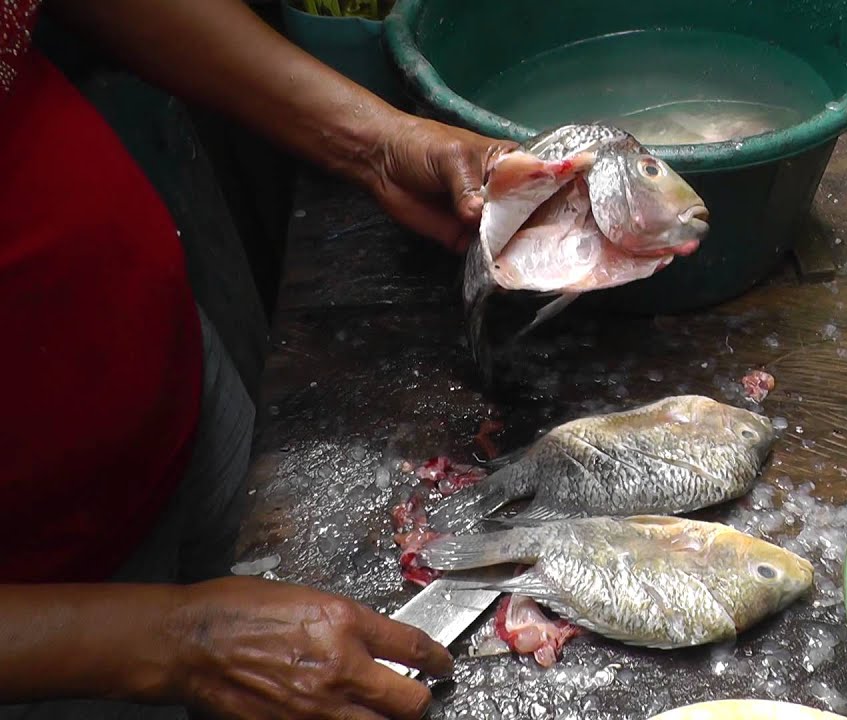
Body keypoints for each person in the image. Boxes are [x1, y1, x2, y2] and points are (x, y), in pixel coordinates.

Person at [0, 0, 518, 717]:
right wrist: (173, 643)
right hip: (48, 627)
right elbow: (190, 649)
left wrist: (373, 142)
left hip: (169, 390)